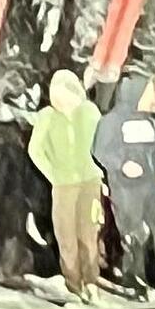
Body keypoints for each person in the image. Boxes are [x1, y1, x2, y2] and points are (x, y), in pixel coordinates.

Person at [94, 73, 155, 294]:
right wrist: (121, 164)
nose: (152, 97)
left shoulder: (146, 121)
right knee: (132, 233)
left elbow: (153, 152)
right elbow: (100, 151)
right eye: (148, 92)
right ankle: (133, 279)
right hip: (126, 190)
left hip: (151, 188)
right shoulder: (111, 121)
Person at [28, 69, 103, 296]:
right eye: (57, 95)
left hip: (90, 182)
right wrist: (54, 175)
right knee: (66, 235)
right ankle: (73, 283)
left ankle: (91, 281)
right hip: (63, 186)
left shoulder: (90, 112)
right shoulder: (47, 117)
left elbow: (101, 142)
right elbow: (35, 150)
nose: (62, 100)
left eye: (66, 94)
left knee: (89, 234)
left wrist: (100, 170)